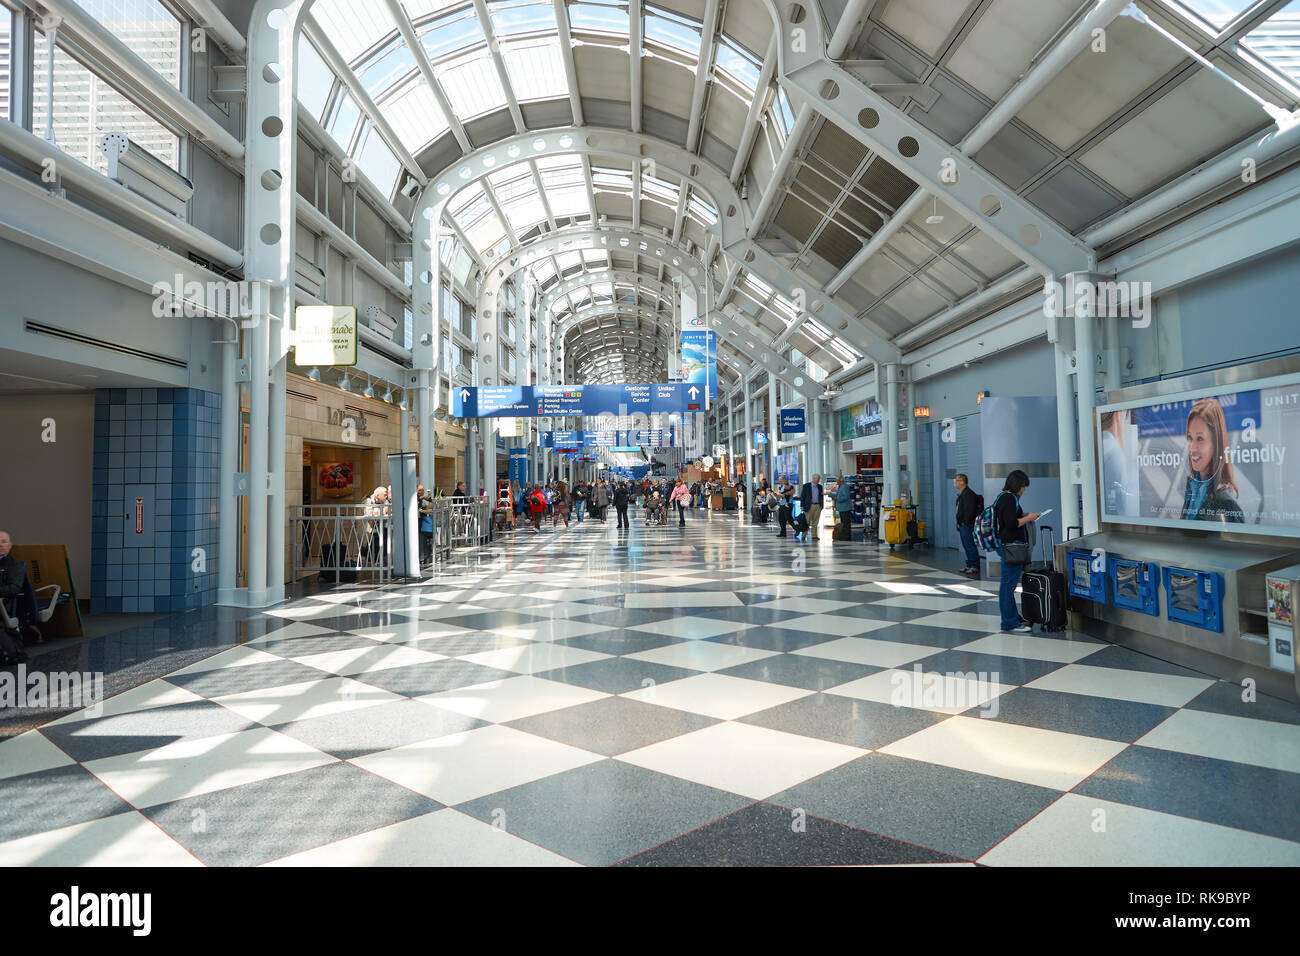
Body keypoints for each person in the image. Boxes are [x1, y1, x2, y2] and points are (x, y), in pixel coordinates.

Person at [1181, 398, 1244, 523]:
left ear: (1216, 444)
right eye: (1190, 437)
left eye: (1200, 438)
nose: (1192, 448)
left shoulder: (1226, 502)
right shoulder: (1193, 490)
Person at [995, 470, 1041, 633]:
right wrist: (1028, 518)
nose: (1024, 490)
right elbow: (1011, 523)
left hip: (1008, 545)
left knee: (1008, 584)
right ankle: (1009, 622)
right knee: (1008, 585)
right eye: (1023, 487)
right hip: (1011, 546)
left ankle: (1013, 617)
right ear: (1017, 485)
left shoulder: (1003, 497)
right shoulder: (1008, 498)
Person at [0, 530, 41, 644]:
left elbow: (14, 589)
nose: (0, 544)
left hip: (4, 605)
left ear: (10, 545)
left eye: (4, 541)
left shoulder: (15, 566)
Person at [1099, 409, 1138, 516]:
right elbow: (1123, 507)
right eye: (1126, 420)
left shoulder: (1100, 446)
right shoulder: (1115, 454)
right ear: (1118, 415)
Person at [954, 473, 982, 576]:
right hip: (963, 525)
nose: (955, 482)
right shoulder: (962, 494)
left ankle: (974, 566)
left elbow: (969, 511)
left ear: (962, 482)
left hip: (967, 525)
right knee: (966, 545)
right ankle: (969, 564)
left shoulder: (969, 494)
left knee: (970, 545)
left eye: (957, 480)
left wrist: (964, 523)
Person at [362, 485, 390, 568]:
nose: (386, 497)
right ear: (378, 495)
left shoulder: (379, 502)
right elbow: (369, 513)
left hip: (373, 531)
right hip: (366, 531)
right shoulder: (368, 501)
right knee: (364, 550)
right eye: (384, 495)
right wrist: (382, 511)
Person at [800, 474, 825, 541]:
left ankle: (814, 536)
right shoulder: (806, 486)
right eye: (817, 479)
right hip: (809, 505)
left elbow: (821, 496)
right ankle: (804, 536)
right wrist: (802, 505)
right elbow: (803, 496)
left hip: (817, 505)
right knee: (807, 521)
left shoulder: (820, 487)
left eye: (819, 479)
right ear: (814, 479)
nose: (818, 481)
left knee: (815, 521)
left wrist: (821, 505)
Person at [834, 477, 854, 542]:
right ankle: (844, 536)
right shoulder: (841, 486)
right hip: (842, 508)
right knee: (844, 523)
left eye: (837, 480)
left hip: (845, 508)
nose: (836, 482)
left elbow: (846, 497)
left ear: (840, 481)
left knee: (846, 523)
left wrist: (837, 499)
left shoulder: (844, 487)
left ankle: (846, 537)